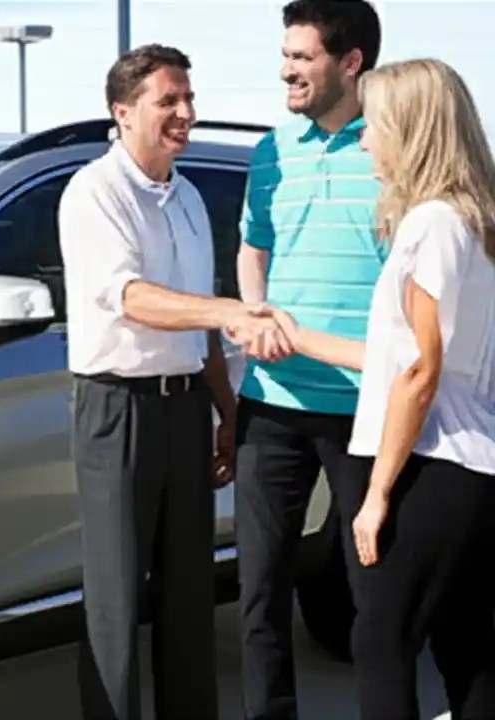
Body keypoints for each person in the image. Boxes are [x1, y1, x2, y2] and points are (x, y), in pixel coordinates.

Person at [261, 56, 495, 720]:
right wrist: (293, 334)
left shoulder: (430, 225)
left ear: (412, 129)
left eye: (376, 123)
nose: (364, 138)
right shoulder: (474, 226)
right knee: (466, 643)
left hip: (428, 463)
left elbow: (419, 371)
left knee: (381, 638)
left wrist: (378, 493)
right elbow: (401, 358)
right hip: (473, 465)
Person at [59, 43, 288, 720]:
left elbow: (197, 321)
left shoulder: (186, 195)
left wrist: (226, 410)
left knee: (189, 594)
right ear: (122, 111)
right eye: (169, 100)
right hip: (117, 411)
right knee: (117, 599)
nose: (186, 112)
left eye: (188, 98)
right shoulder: (94, 194)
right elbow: (129, 297)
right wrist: (226, 310)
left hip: (185, 407)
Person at [232, 2, 385, 718]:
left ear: (349, 61)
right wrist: (255, 310)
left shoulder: (392, 150)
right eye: (285, 55)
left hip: (366, 408)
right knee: (260, 590)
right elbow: (252, 245)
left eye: (302, 56)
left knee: (377, 593)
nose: (286, 69)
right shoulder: (272, 150)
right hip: (272, 402)